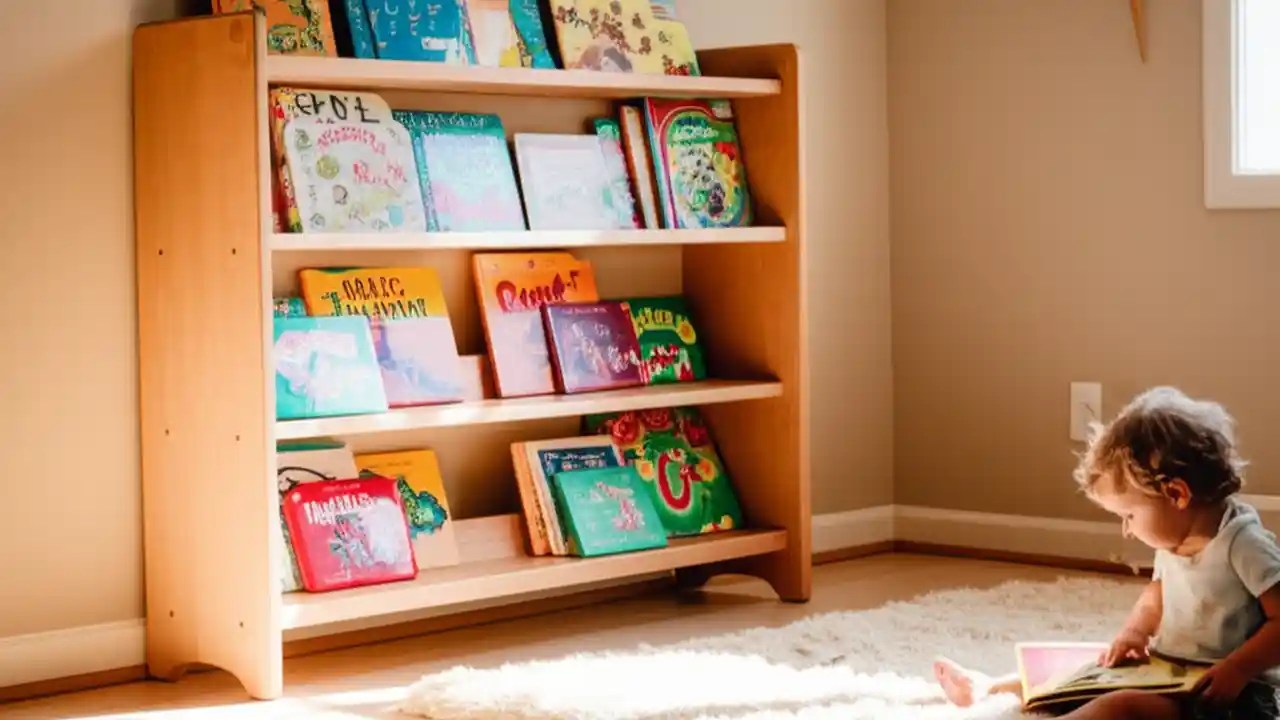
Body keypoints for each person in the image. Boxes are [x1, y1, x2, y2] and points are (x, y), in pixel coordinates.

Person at [934, 387, 1280, 718]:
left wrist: (1238, 669)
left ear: (1176, 495)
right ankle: (991, 687)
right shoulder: (1174, 539)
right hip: (1171, 671)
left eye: (1129, 515)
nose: (1126, 529)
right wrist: (1135, 632)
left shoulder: (1243, 544)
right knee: (1088, 672)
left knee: (1121, 707)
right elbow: (1156, 595)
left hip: (1228, 692)